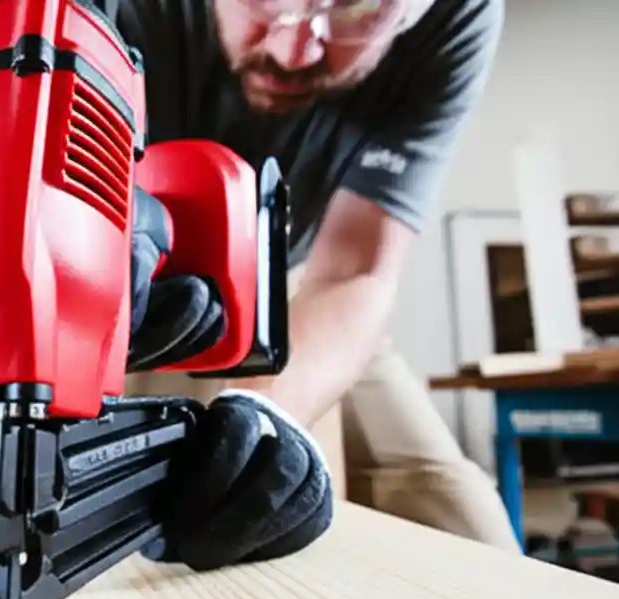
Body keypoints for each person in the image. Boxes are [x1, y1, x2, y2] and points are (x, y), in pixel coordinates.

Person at [116, 0, 521, 562]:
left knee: (464, 526)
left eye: (359, 15)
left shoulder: (457, 13)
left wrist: (258, 423)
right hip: (135, 276)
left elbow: (354, 271)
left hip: (303, 283)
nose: (292, 53)